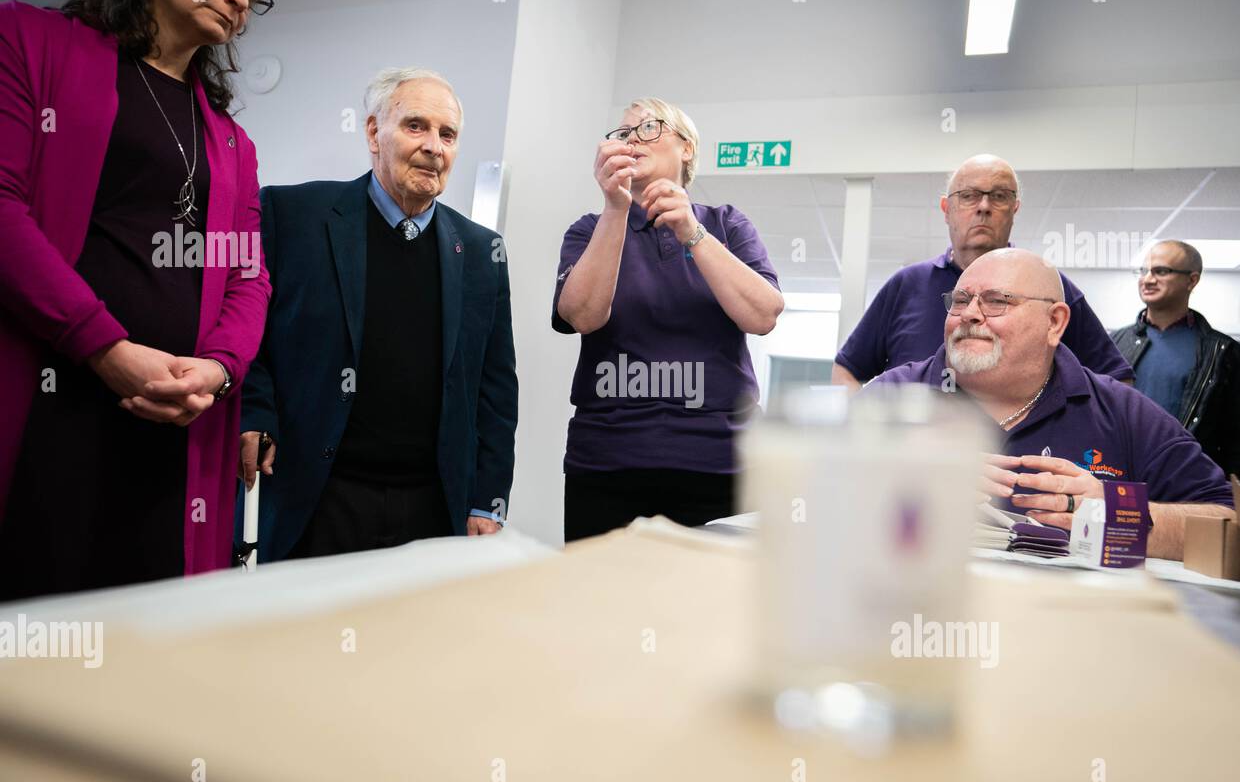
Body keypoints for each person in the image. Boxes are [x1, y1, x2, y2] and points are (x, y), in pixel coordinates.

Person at [0, 0, 283, 600]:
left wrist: (216, 371)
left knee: (142, 646)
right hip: (51, 403)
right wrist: (105, 347)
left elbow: (249, 277)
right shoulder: (26, 40)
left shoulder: (233, 144)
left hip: (177, 430)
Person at [239, 68, 518, 561]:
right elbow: (250, 333)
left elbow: (496, 390)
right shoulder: (293, 214)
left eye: (447, 134)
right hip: (320, 496)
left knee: (416, 638)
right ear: (373, 132)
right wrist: (255, 411)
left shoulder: (481, 251)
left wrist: (489, 502)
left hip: (433, 507)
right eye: (416, 126)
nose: (435, 146)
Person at [867, 248, 1234, 561]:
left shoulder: (1123, 412)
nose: (970, 314)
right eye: (960, 301)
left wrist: (1121, 516)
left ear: (1055, 322)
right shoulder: (891, 397)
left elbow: (1230, 526)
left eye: (996, 301)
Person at [553, 97, 784, 542]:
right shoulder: (588, 229)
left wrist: (691, 232)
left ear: (687, 148)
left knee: (707, 608)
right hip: (608, 464)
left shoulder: (728, 224)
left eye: (649, 128)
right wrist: (616, 209)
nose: (632, 139)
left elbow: (763, 315)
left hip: (720, 466)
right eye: (622, 134)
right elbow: (581, 315)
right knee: (600, 606)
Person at [832, 154, 1133, 387]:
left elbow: (1117, 379)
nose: (984, 206)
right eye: (969, 195)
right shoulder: (906, 285)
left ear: (1014, 209)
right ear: (946, 209)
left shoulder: (1051, 288)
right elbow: (847, 370)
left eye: (999, 196)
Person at [1110, 240, 1240, 494]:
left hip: (1188, 487)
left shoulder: (1226, 353)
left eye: (1161, 271)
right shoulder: (1114, 343)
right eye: (1143, 271)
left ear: (1191, 280)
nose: (1147, 279)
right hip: (1119, 482)